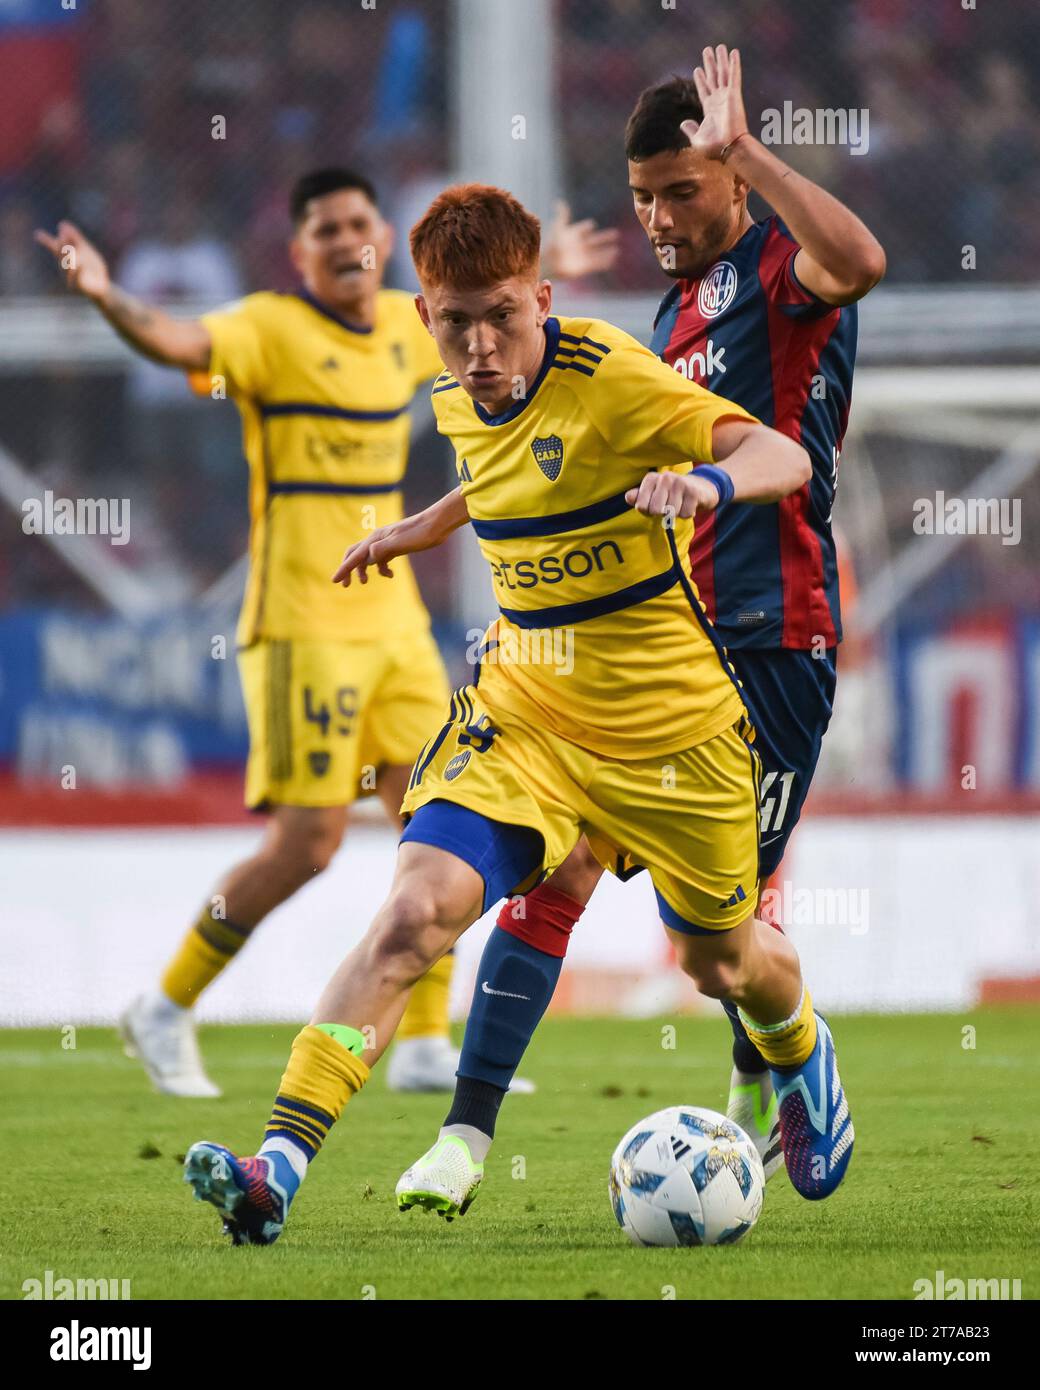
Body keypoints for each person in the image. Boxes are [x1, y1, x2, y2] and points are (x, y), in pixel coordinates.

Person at [178, 181, 851, 1248]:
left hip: (668, 731)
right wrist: (417, 527)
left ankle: (800, 1043)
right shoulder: (453, 391)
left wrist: (709, 488)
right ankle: (276, 1168)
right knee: (413, 914)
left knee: (719, 960)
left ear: (541, 297)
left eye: (502, 316)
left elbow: (781, 454)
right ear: (422, 318)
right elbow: (499, 471)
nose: (482, 346)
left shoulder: (614, 380)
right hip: (523, 715)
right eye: (456, 323)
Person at [351, 45, 885, 1206]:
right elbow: (545, 466)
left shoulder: (779, 270)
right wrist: (425, 526)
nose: (656, 214)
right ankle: (465, 1138)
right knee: (558, 868)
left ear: (732, 180)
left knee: (716, 946)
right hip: (657, 628)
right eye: (642, 194)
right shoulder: (673, 308)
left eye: (681, 190)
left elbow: (863, 262)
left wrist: (744, 147)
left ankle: (780, 1072)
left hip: (771, 629)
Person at [35, 169, 503, 1096]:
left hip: (396, 622)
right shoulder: (270, 329)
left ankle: (419, 1045)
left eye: (357, 222)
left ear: (382, 234)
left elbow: (474, 320)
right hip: (302, 625)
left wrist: (544, 267)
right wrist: (105, 297)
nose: (343, 239)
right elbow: (177, 339)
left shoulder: (409, 330)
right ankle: (163, 1006)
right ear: (301, 253)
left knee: (444, 818)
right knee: (308, 846)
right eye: (323, 228)